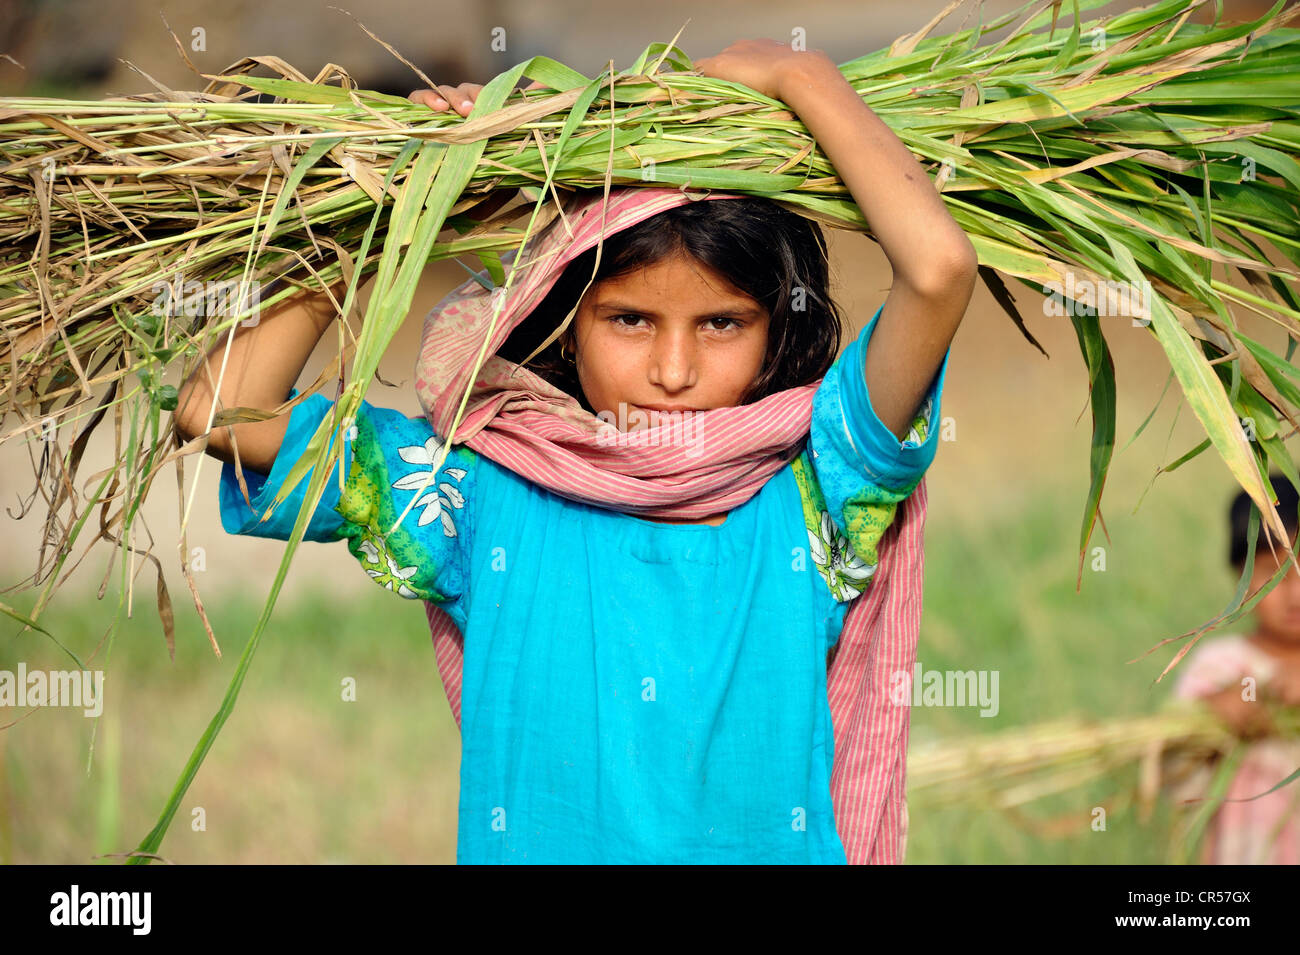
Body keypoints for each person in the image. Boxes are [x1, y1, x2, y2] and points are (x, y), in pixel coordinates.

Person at [175, 39, 976, 863]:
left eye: (722, 324)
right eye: (629, 319)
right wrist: (396, 201)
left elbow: (939, 269)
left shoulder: (816, 489)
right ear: (564, 321)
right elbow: (220, 410)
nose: (673, 371)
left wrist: (796, 75)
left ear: (776, 335)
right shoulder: (476, 489)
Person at [1170, 473, 1300, 864]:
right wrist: (1212, 720)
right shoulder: (1221, 667)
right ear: (1240, 580)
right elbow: (1173, 774)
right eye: (1273, 574)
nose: (1294, 592)